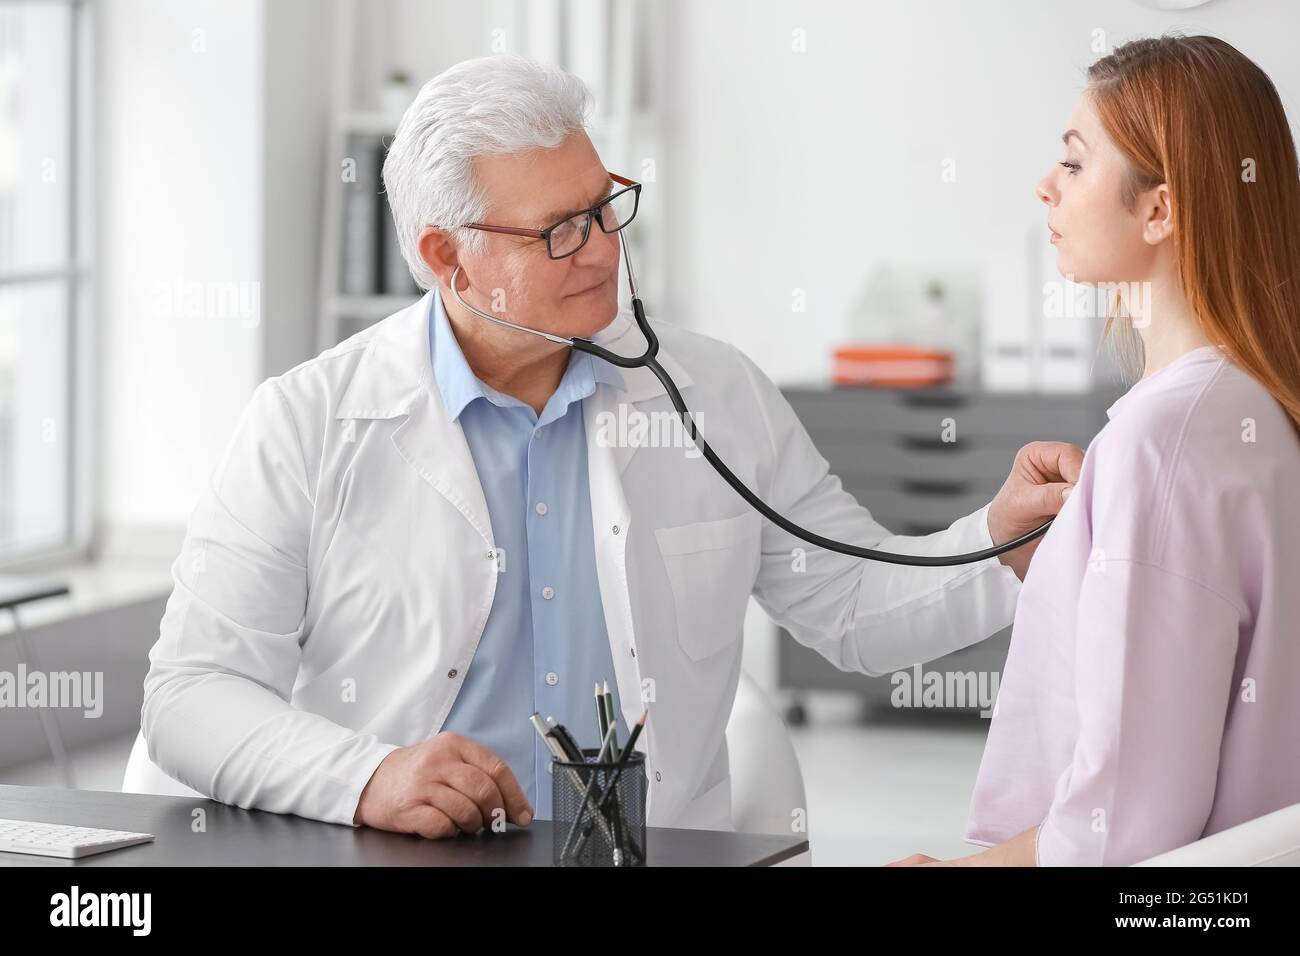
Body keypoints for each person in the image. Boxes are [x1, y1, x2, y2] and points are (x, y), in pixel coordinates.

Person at [142, 54, 1079, 839]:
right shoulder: (305, 424)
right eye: (557, 231)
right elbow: (191, 696)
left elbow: (854, 607)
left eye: (603, 207)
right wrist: (367, 777)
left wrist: (999, 542)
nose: (600, 253)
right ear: (445, 256)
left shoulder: (713, 393)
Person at [892, 35, 1300, 867]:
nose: (1045, 184)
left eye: (1075, 165)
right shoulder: (1247, 410)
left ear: (1159, 210)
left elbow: (1120, 830)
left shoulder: (1160, 445)